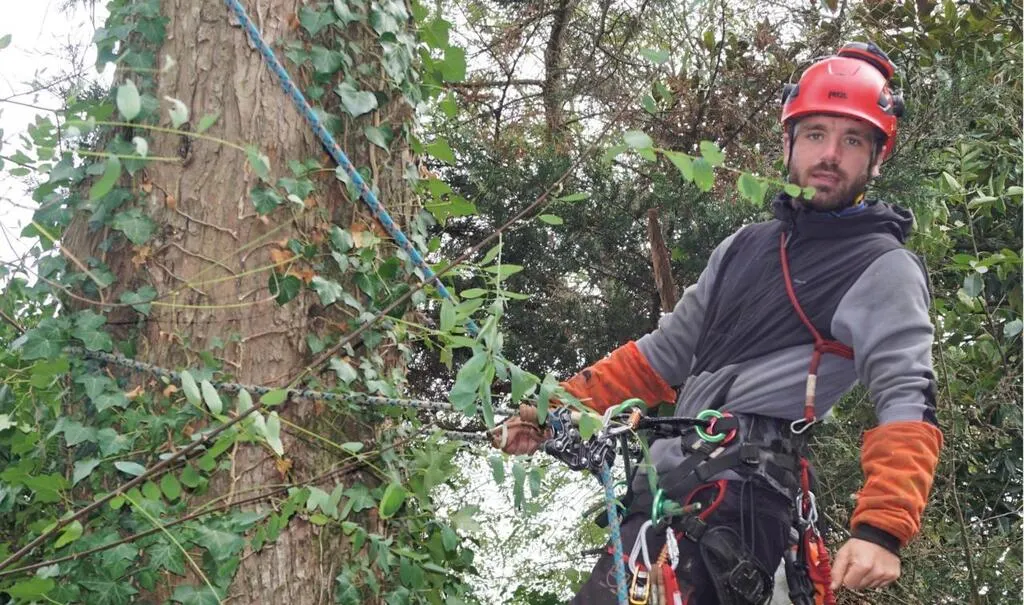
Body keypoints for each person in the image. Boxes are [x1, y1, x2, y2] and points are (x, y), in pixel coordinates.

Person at [491, 41, 942, 604]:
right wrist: (553, 408)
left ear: (878, 156)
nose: (830, 153)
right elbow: (660, 357)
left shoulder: (881, 265)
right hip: (667, 493)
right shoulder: (742, 248)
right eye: (816, 134)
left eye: (852, 139)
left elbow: (906, 394)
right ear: (788, 143)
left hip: (744, 503)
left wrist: (882, 529)